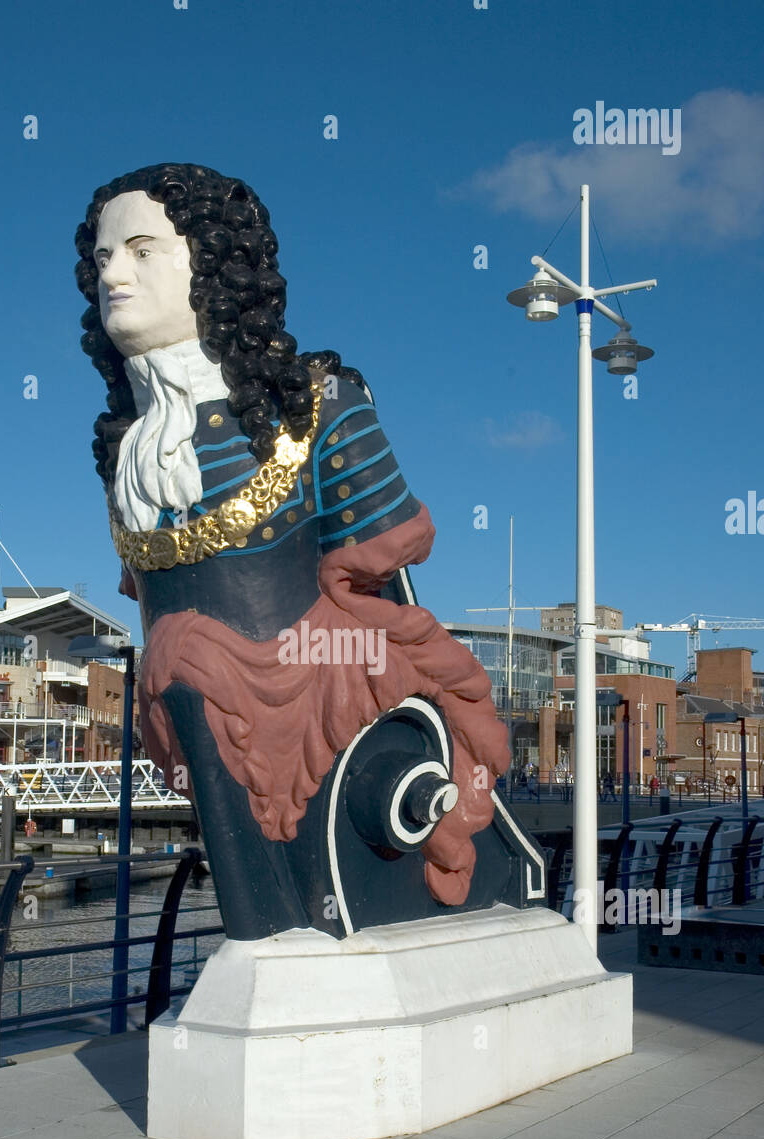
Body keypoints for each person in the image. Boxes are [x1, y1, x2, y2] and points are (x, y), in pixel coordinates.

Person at [75, 163, 513, 939]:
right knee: (181, 658)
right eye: (104, 258)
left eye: (142, 251)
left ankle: (271, 934)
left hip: (314, 670)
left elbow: (379, 558)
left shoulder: (317, 406)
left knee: (183, 658)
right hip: (190, 689)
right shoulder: (121, 449)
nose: (115, 273)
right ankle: (269, 932)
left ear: (211, 263)